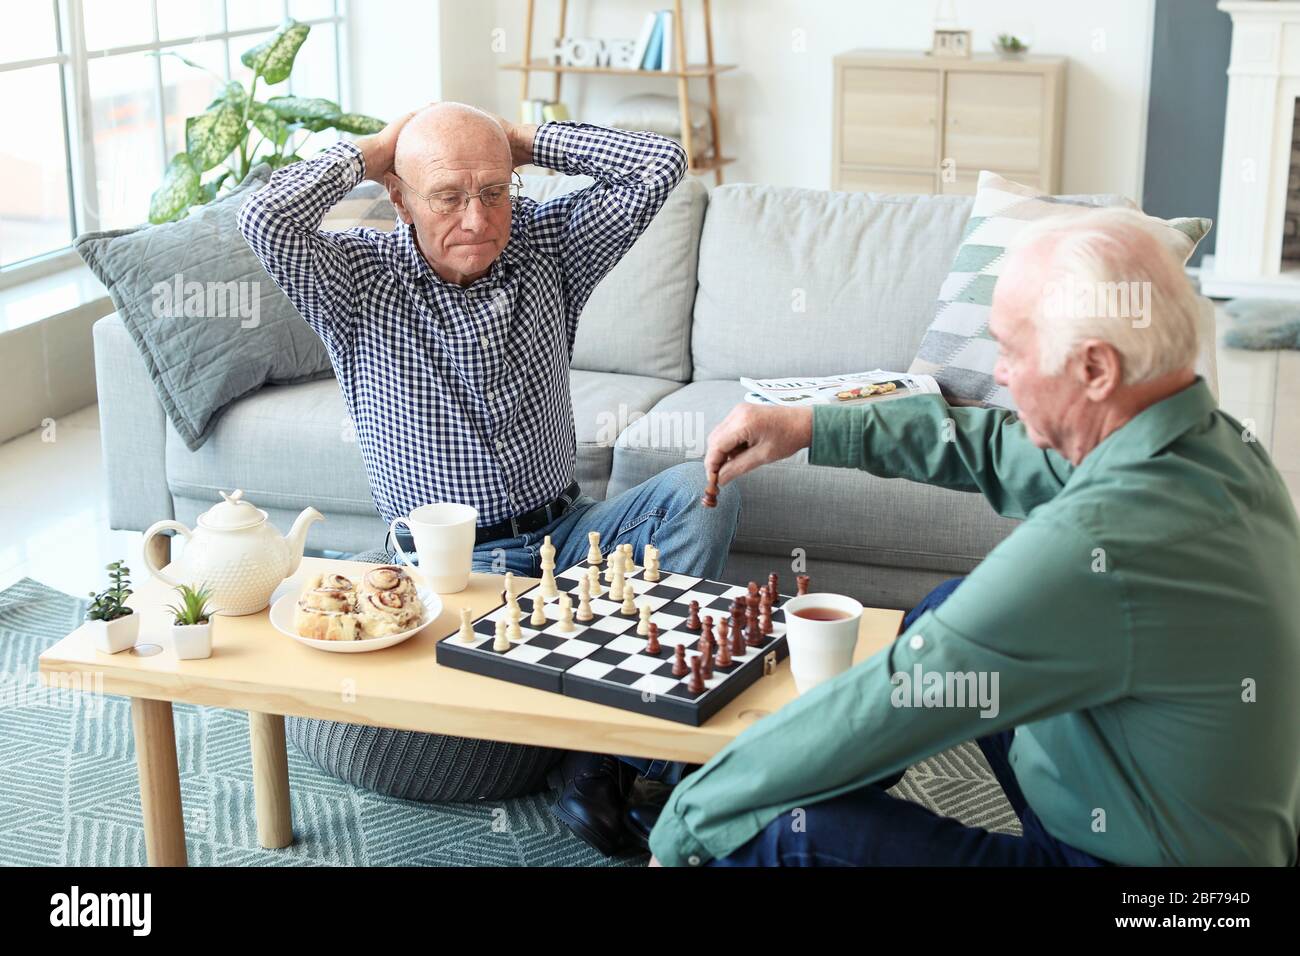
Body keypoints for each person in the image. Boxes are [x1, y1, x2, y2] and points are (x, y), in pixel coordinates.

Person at [647, 208, 1300, 866]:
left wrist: (685, 821)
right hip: (1167, 818)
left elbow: (894, 696)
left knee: (774, 832)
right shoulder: (1210, 445)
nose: (1004, 376)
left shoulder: (1103, 542)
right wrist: (809, 425)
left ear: (1096, 369)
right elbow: (991, 444)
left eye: (1012, 351)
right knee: (937, 611)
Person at [239, 103, 739, 855]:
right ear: (400, 199)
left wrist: (525, 140)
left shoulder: (549, 243)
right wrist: (376, 150)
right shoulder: (353, 280)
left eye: (494, 192)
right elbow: (263, 217)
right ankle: (607, 733)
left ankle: (603, 754)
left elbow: (658, 166)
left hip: (569, 540)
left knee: (707, 495)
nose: (478, 217)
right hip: (451, 568)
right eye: (447, 196)